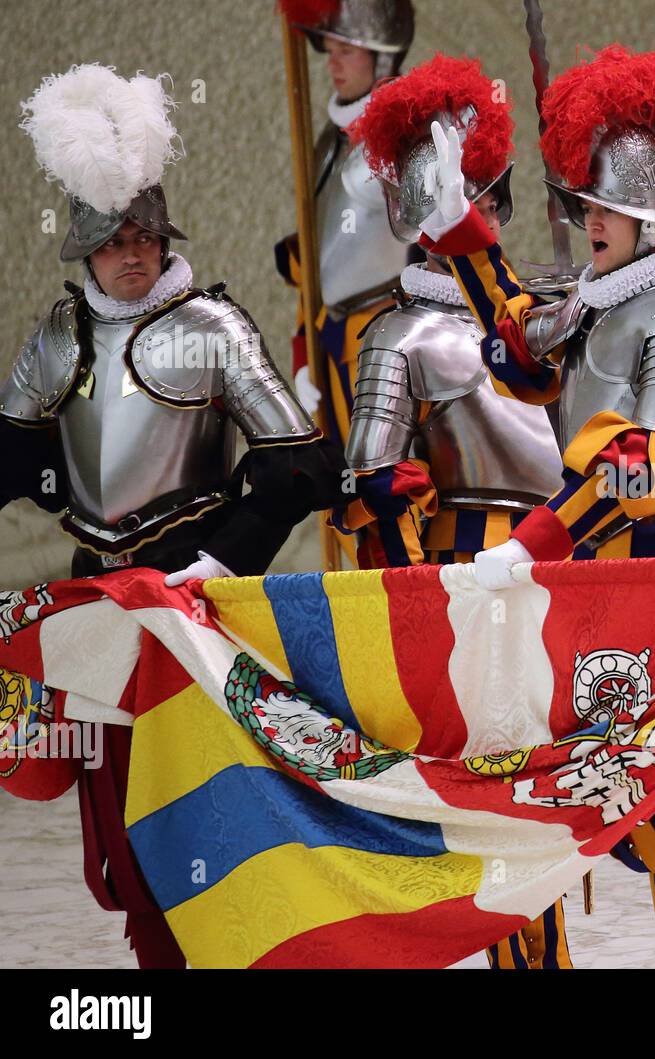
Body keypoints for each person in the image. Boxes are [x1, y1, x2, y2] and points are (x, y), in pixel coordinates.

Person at [419, 45, 655, 969]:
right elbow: (516, 345)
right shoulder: (594, 303)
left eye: (601, 206)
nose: (585, 217)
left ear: (641, 214)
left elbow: (648, 464)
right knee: (653, 807)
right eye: (581, 202)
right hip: (608, 586)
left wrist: (534, 542)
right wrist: (460, 228)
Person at [1, 65, 339, 968]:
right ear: (83, 247)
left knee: (212, 805)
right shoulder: (59, 336)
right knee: (118, 813)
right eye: (114, 239)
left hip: (193, 606)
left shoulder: (214, 328)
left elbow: (300, 464)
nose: (133, 252)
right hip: (95, 610)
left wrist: (223, 562)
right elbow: (10, 454)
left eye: (145, 233)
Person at [335, 53, 571, 968]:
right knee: (504, 777)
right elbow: (372, 484)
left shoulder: (547, 304)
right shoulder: (393, 335)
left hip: (570, 544)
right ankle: (528, 958)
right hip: (470, 564)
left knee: (575, 770)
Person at [275, 0, 418, 464]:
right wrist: (302, 350)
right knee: (344, 493)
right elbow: (314, 262)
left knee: (389, 488)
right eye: (330, 49)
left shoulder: (403, 139)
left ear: (382, 56)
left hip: (386, 346)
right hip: (331, 337)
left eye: (347, 50)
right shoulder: (332, 138)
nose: (332, 62)